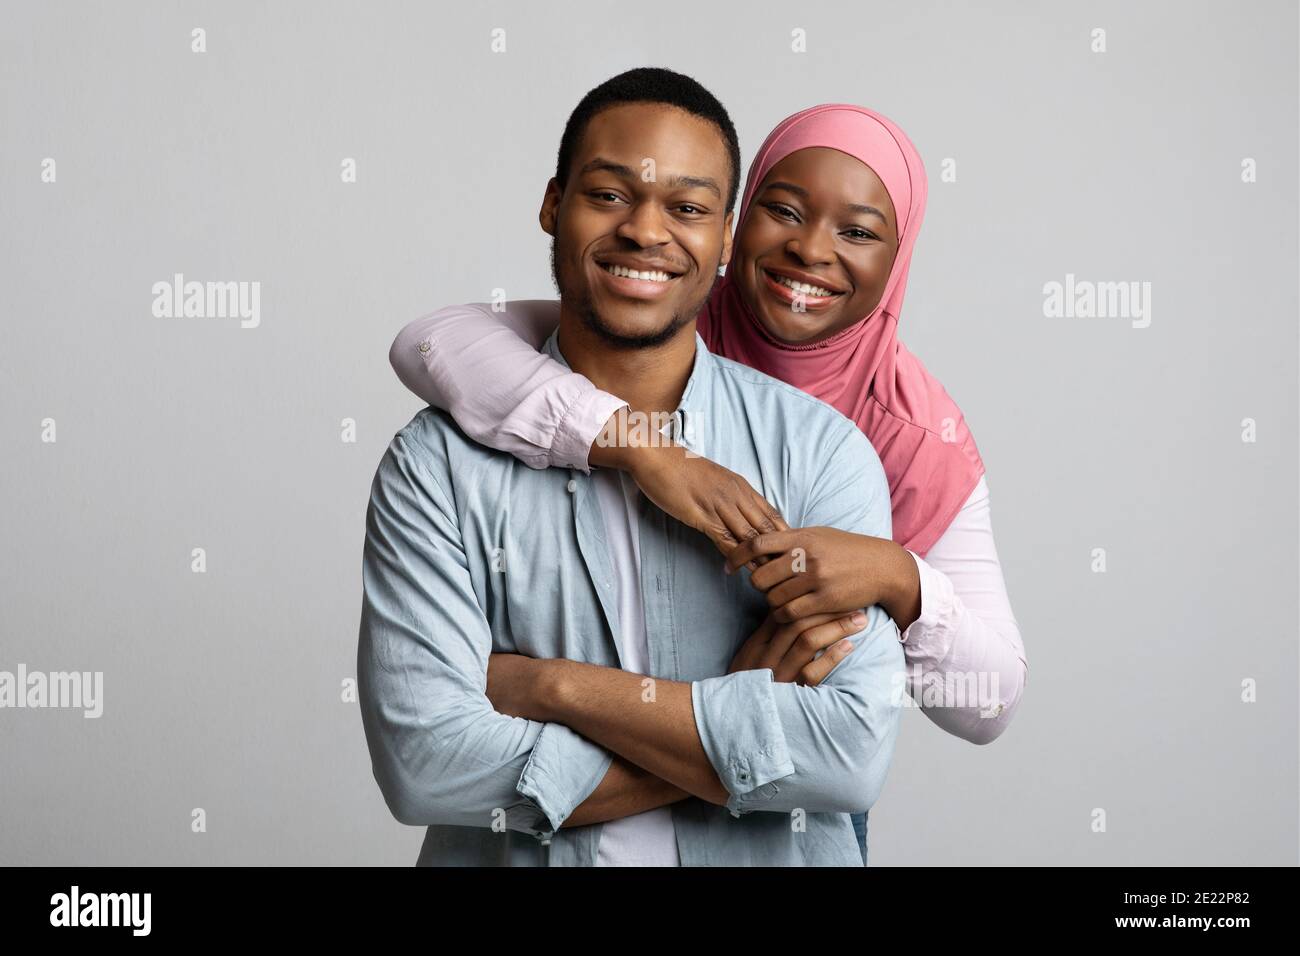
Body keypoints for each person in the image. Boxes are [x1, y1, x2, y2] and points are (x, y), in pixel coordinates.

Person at [387, 101, 1028, 857]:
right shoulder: (644, 305)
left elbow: (929, 726)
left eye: (857, 231)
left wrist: (899, 577)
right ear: (737, 227)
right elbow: (430, 342)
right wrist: (648, 451)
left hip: (778, 827)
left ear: (900, 256)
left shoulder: (896, 435)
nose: (811, 250)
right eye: (782, 210)